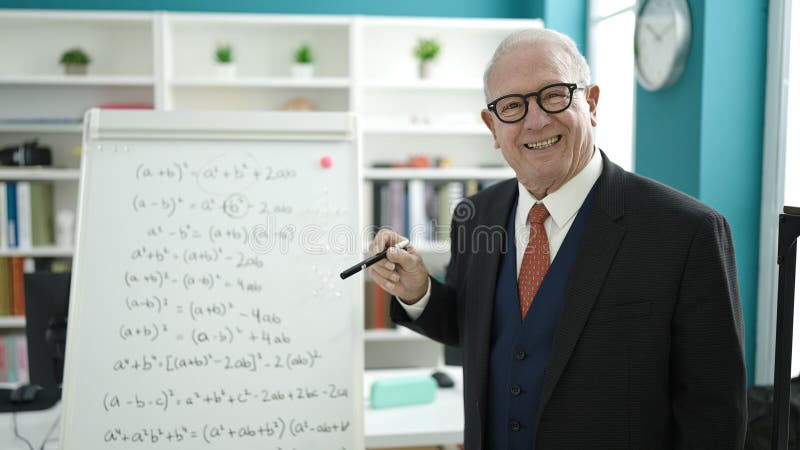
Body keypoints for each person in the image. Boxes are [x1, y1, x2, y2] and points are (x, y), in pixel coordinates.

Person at [367, 28, 746, 449]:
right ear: (492, 127)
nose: (535, 120)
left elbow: (713, 415)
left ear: (593, 103)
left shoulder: (686, 232)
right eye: (512, 106)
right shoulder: (475, 216)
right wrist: (419, 291)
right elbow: (474, 330)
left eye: (553, 95)